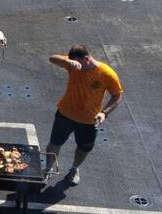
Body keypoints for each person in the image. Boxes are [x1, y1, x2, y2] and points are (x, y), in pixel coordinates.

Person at [45, 45, 123, 185]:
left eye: (78, 62)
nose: (77, 67)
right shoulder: (73, 65)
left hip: (88, 120)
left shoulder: (106, 73)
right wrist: (68, 62)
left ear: (86, 58)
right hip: (65, 114)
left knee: (84, 147)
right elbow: (52, 59)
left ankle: (74, 169)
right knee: (54, 144)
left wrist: (104, 113)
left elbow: (117, 96)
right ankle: (48, 169)